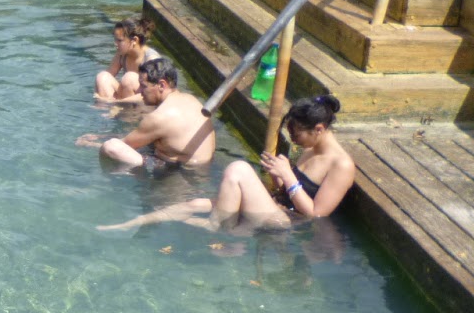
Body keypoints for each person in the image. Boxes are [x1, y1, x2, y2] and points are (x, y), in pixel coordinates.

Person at [100, 95, 356, 234]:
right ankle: (134, 223)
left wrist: (288, 176)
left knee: (239, 169)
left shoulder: (341, 165)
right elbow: (286, 191)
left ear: (319, 129)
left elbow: (315, 215)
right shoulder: (310, 150)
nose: (294, 140)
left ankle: (217, 227)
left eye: (298, 133)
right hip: (273, 206)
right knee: (193, 204)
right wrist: (278, 176)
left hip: (286, 222)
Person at [76, 57, 215, 169]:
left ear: (161, 85)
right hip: (202, 166)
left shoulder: (159, 117)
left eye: (144, 86)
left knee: (110, 147)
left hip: (180, 173)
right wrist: (102, 135)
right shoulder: (190, 99)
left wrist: (91, 144)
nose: (140, 92)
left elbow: (125, 144)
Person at [94, 16, 162, 102]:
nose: (115, 43)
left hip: (146, 101)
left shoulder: (151, 59)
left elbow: (156, 95)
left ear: (134, 40)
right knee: (102, 77)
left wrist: (118, 102)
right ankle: (108, 112)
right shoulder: (122, 54)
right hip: (127, 100)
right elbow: (107, 77)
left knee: (129, 78)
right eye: (115, 39)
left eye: (119, 40)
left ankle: (122, 112)